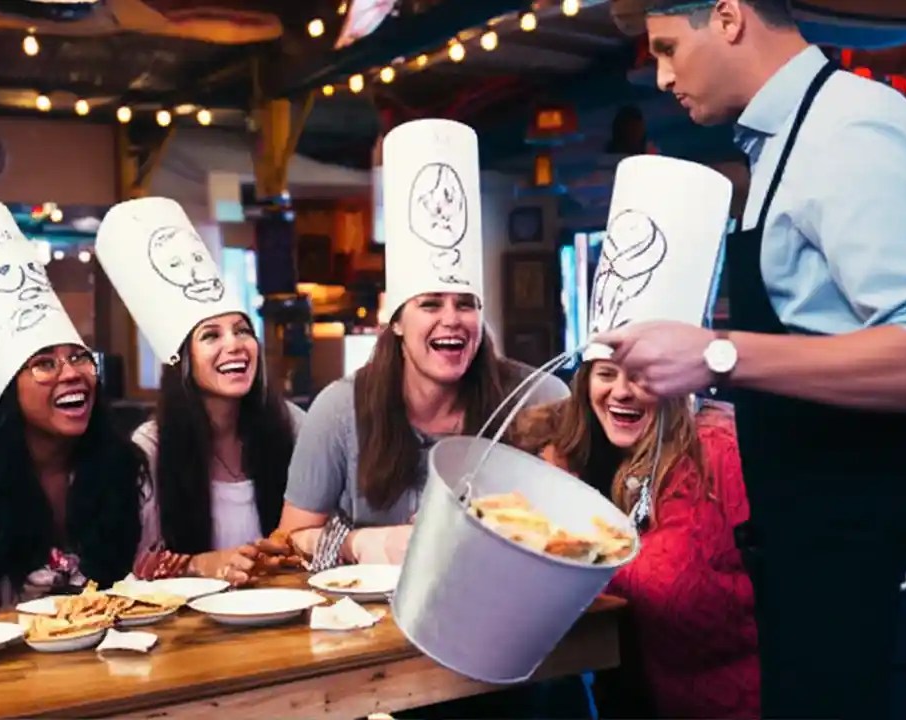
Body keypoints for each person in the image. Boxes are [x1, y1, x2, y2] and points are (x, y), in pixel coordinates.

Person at [600, 1, 906, 716]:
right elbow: (817, 347)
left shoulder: (851, 130)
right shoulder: (783, 145)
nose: (660, 78)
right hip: (824, 563)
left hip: (888, 571)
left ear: (727, 17)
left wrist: (718, 355)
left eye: (666, 48)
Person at [278, 118, 570, 569]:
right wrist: (367, 544)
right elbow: (290, 538)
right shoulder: (340, 410)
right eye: (431, 304)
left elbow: (571, 532)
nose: (451, 320)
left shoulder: (541, 399)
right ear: (395, 321)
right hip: (367, 625)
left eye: (466, 304)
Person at [0, 198, 154, 605]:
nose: (71, 373)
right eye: (44, 364)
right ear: (7, 389)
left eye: (78, 357)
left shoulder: (122, 462)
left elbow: (144, 579)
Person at [511, 359, 758, 718]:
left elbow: (669, 582)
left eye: (642, 376)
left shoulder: (718, 450)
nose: (622, 390)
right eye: (606, 374)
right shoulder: (597, 448)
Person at [96, 198, 303, 587]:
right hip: (191, 631)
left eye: (242, 330)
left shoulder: (291, 424)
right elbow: (134, 569)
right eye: (211, 335)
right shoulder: (152, 446)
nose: (235, 345)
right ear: (182, 359)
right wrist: (205, 564)